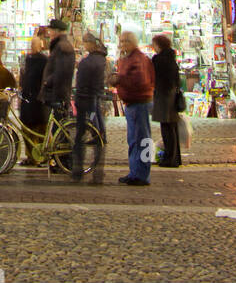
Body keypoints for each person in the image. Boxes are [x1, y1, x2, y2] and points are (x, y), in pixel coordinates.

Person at [114, 31, 154, 186]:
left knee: (142, 140)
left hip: (139, 103)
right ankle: (135, 172)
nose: (122, 44)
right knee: (134, 140)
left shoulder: (138, 59)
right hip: (132, 103)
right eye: (121, 41)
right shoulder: (128, 58)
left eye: (125, 41)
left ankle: (142, 174)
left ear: (132, 43)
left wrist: (119, 80)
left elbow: (140, 81)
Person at [72, 32, 107, 182]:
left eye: (85, 42)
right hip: (93, 99)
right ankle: (97, 172)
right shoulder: (101, 59)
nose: (84, 45)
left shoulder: (88, 62)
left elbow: (83, 83)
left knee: (83, 135)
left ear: (91, 44)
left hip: (86, 100)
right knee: (98, 134)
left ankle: (79, 170)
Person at [151, 34, 181, 168]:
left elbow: (155, 76)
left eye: (154, 45)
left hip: (164, 95)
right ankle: (175, 157)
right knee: (172, 127)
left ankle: (169, 159)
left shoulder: (159, 59)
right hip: (172, 95)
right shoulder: (171, 58)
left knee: (166, 128)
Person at [18, 34, 48, 163]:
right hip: (32, 99)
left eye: (33, 44)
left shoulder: (39, 60)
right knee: (32, 128)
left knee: (36, 128)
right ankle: (34, 155)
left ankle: (38, 155)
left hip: (35, 99)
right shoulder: (32, 59)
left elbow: (27, 77)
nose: (32, 47)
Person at [41, 19, 75, 114]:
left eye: (50, 31)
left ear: (56, 31)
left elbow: (62, 71)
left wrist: (47, 82)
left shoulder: (62, 46)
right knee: (54, 123)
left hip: (57, 93)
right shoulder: (59, 45)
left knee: (57, 123)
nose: (49, 34)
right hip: (55, 91)